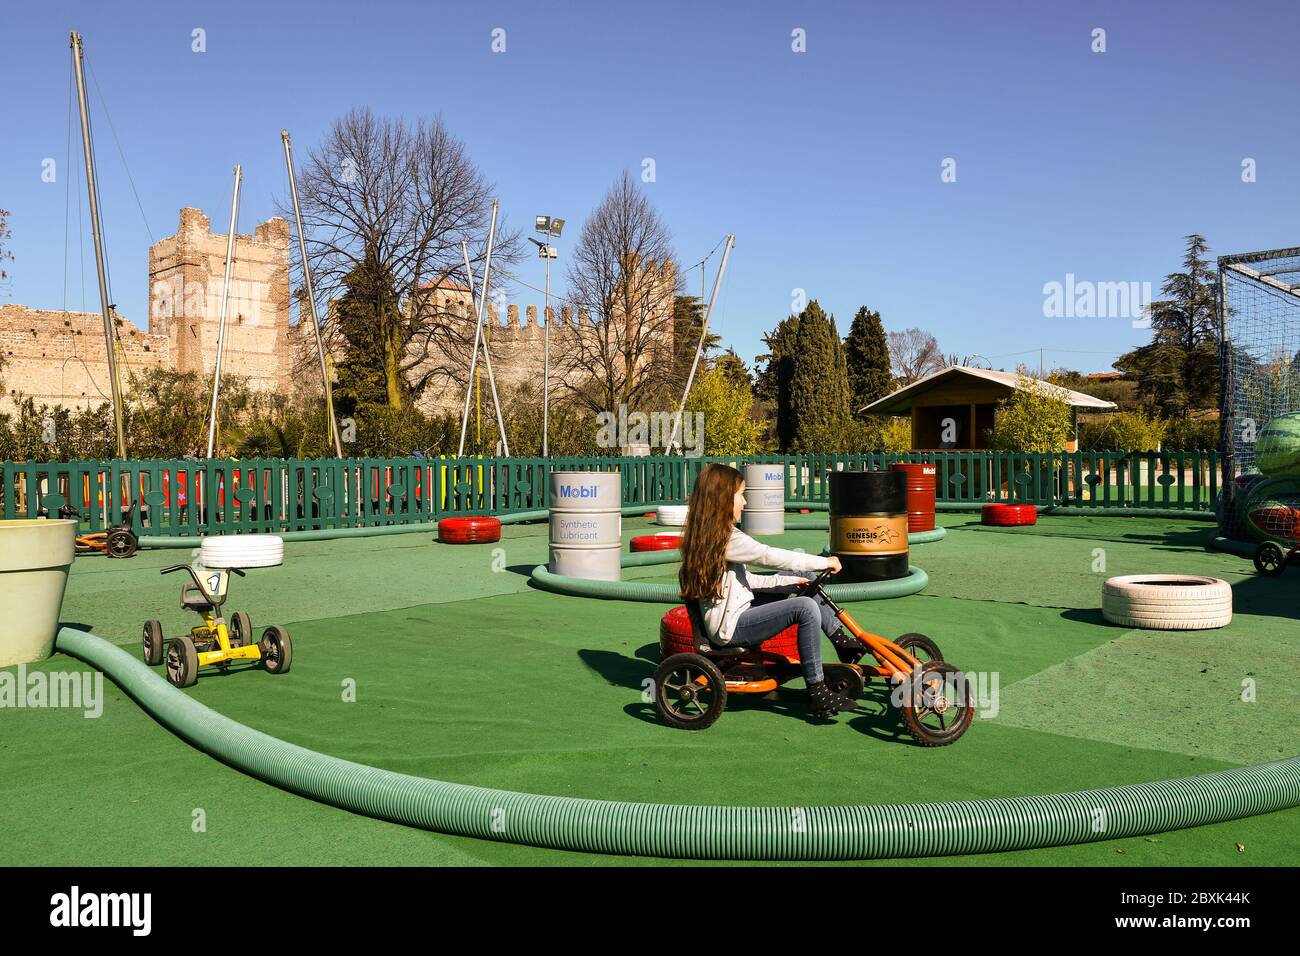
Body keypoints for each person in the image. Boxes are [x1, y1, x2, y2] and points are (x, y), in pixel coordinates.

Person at [678, 463, 864, 717]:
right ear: (722, 500)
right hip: (730, 627)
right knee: (805, 607)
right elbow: (770, 556)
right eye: (740, 495)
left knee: (802, 576)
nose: (744, 502)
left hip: (738, 609)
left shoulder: (716, 535)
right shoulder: (726, 540)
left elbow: (746, 582)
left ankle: (841, 641)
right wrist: (825, 562)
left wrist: (787, 583)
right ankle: (818, 690)